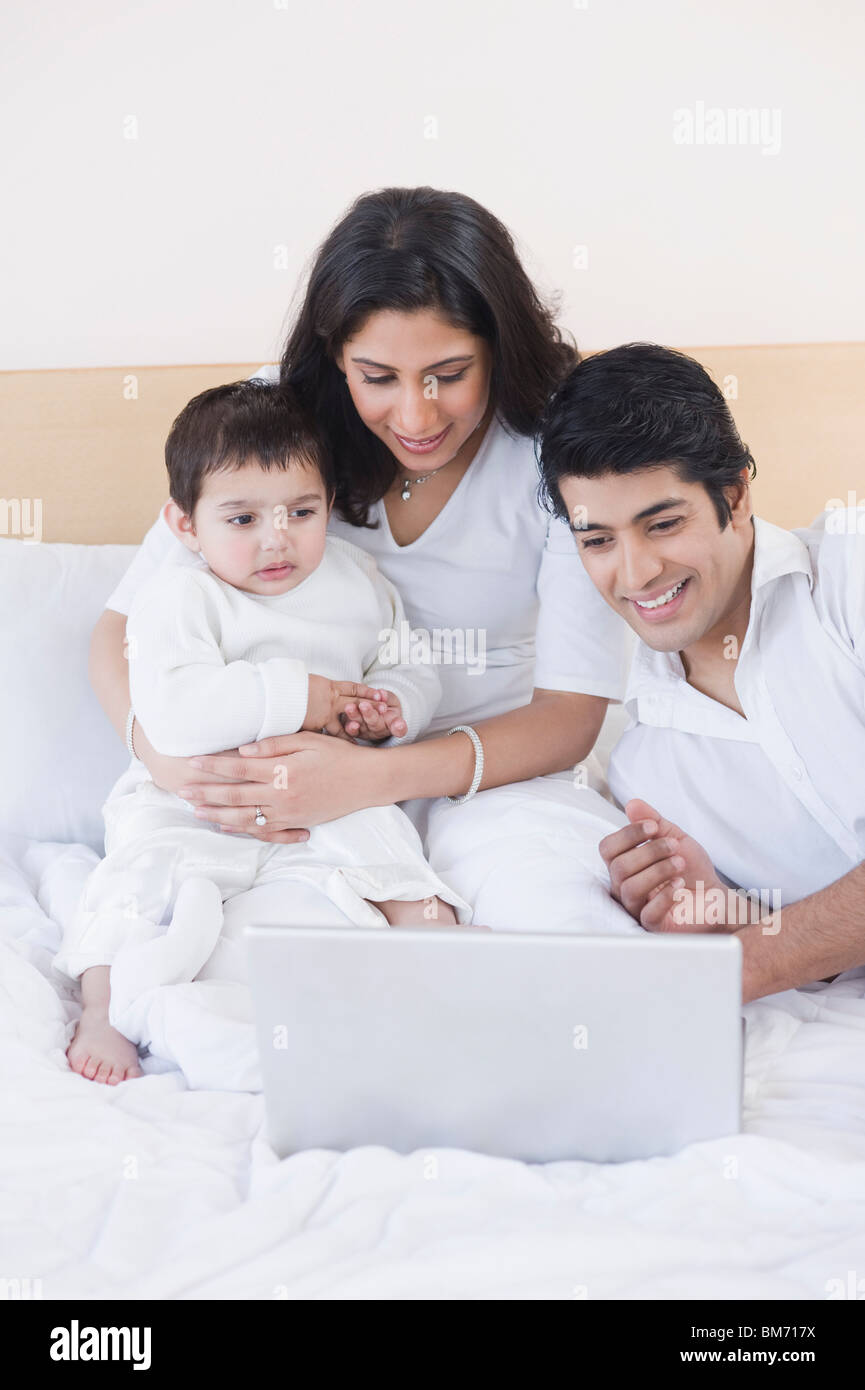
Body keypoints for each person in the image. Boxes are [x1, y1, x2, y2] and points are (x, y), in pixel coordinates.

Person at [87, 186, 636, 941]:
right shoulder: (267, 425)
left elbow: (570, 715)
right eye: (376, 377)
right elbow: (119, 633)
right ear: (334, 356)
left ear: (500, 349)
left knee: (555, 930)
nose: (415, 416)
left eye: (448, 372)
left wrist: (366, 780)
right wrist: (169, 762)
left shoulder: (555, 449)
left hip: (496, 775)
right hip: (285, 788)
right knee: (261, 952)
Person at [59, 379, 471, 1084]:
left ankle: (444, 969)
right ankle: (103, 1009)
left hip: (327, 788)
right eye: (242, 519)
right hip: (194, 793)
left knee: (396, 857)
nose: (276, 539)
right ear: (186, 525)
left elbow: (405, 660)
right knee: (134, 879)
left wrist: (394, 703)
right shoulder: (181, 596)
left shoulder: (356, 579)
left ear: (330, 504)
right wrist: (304, 698)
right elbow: (175, 710)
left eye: (301, 512)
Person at [535, 342, 865, 1001]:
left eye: (661, 524)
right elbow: (828, 960)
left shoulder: (850, 576)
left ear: (734, 494)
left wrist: (740, 965)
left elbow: (780, 953)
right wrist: (723, 913)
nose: (634, 574)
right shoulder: (643, 770)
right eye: (596, 540)